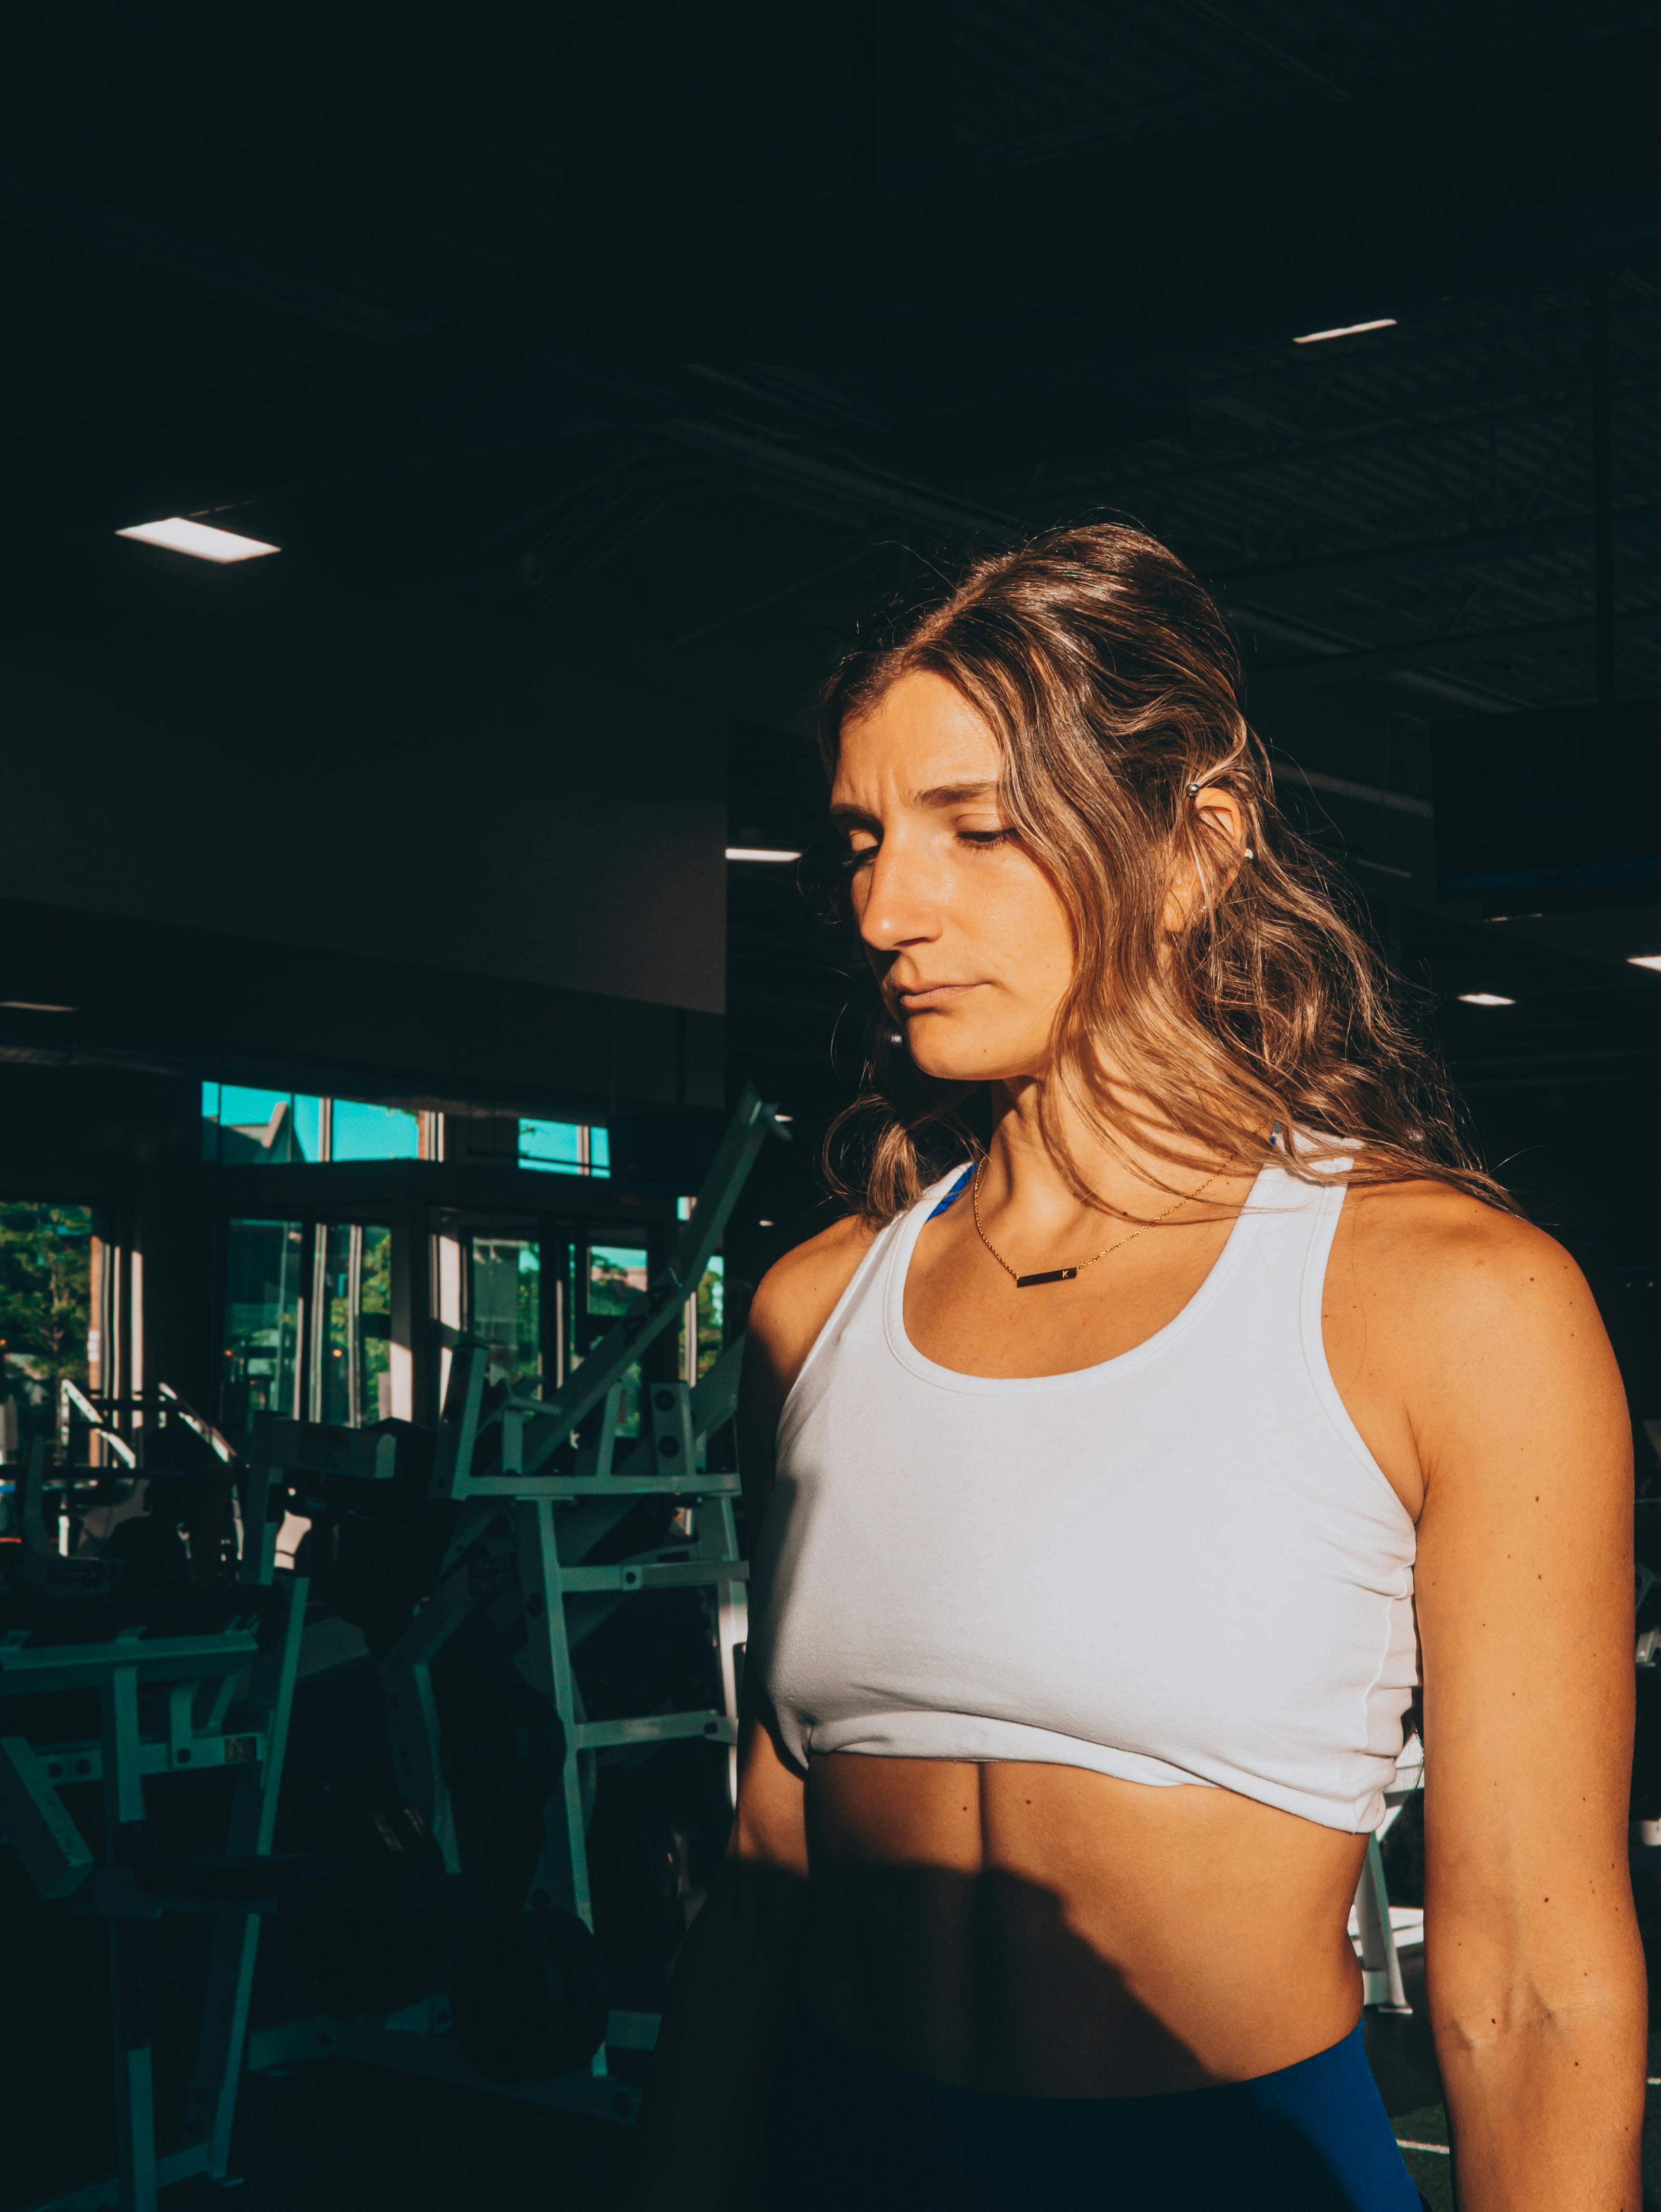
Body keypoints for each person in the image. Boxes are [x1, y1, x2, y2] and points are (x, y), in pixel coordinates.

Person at [617, 524, 1644, 2210]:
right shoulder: (815, 1309)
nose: (885, 905)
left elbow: (1532, 1984)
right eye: (866, 838)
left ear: (1194, 848)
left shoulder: (1450, 1301)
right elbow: (764, 1883)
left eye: (979, 828)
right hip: (835, 2154)